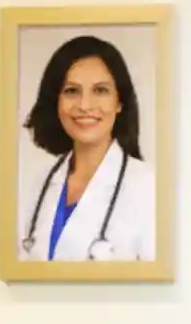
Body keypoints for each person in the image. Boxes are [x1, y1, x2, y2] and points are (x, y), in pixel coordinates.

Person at [17, 35, 154, 261]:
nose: (84, 105)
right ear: (56, 101)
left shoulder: (148, 186)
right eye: (72, 91)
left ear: (120, 102)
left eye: (100, 90)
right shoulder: (39, 184)